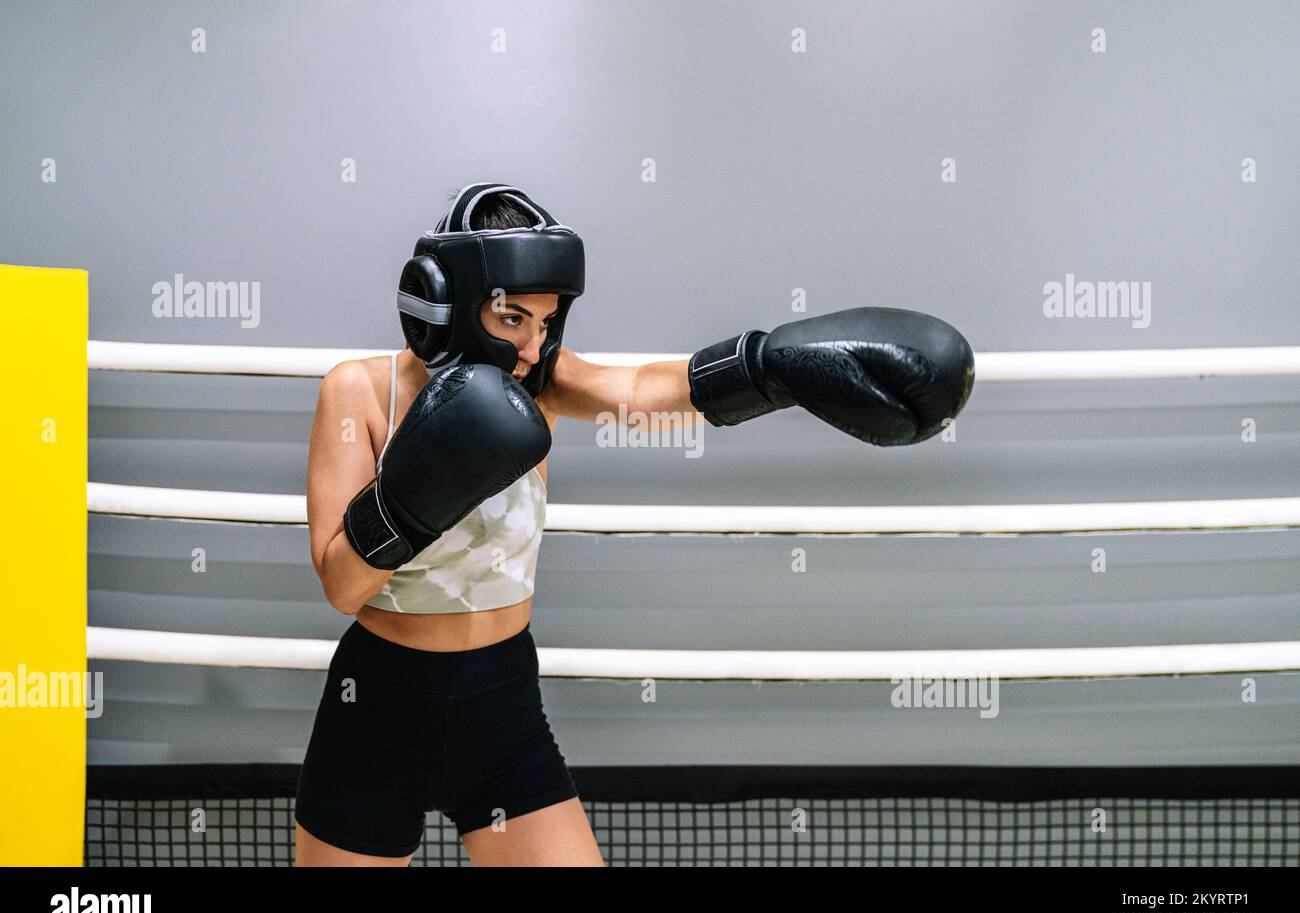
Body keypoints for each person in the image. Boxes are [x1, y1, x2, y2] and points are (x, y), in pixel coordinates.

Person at [295, 183, 976, 867]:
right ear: (444, 302)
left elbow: (643, 391)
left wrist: (769, 368)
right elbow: (342, 585)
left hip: (498, 707)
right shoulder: (358, 390)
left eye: (547, 322)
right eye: (513, 321)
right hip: (376, 710)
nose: (534, 345)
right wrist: (412, 495)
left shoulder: (540, 381)